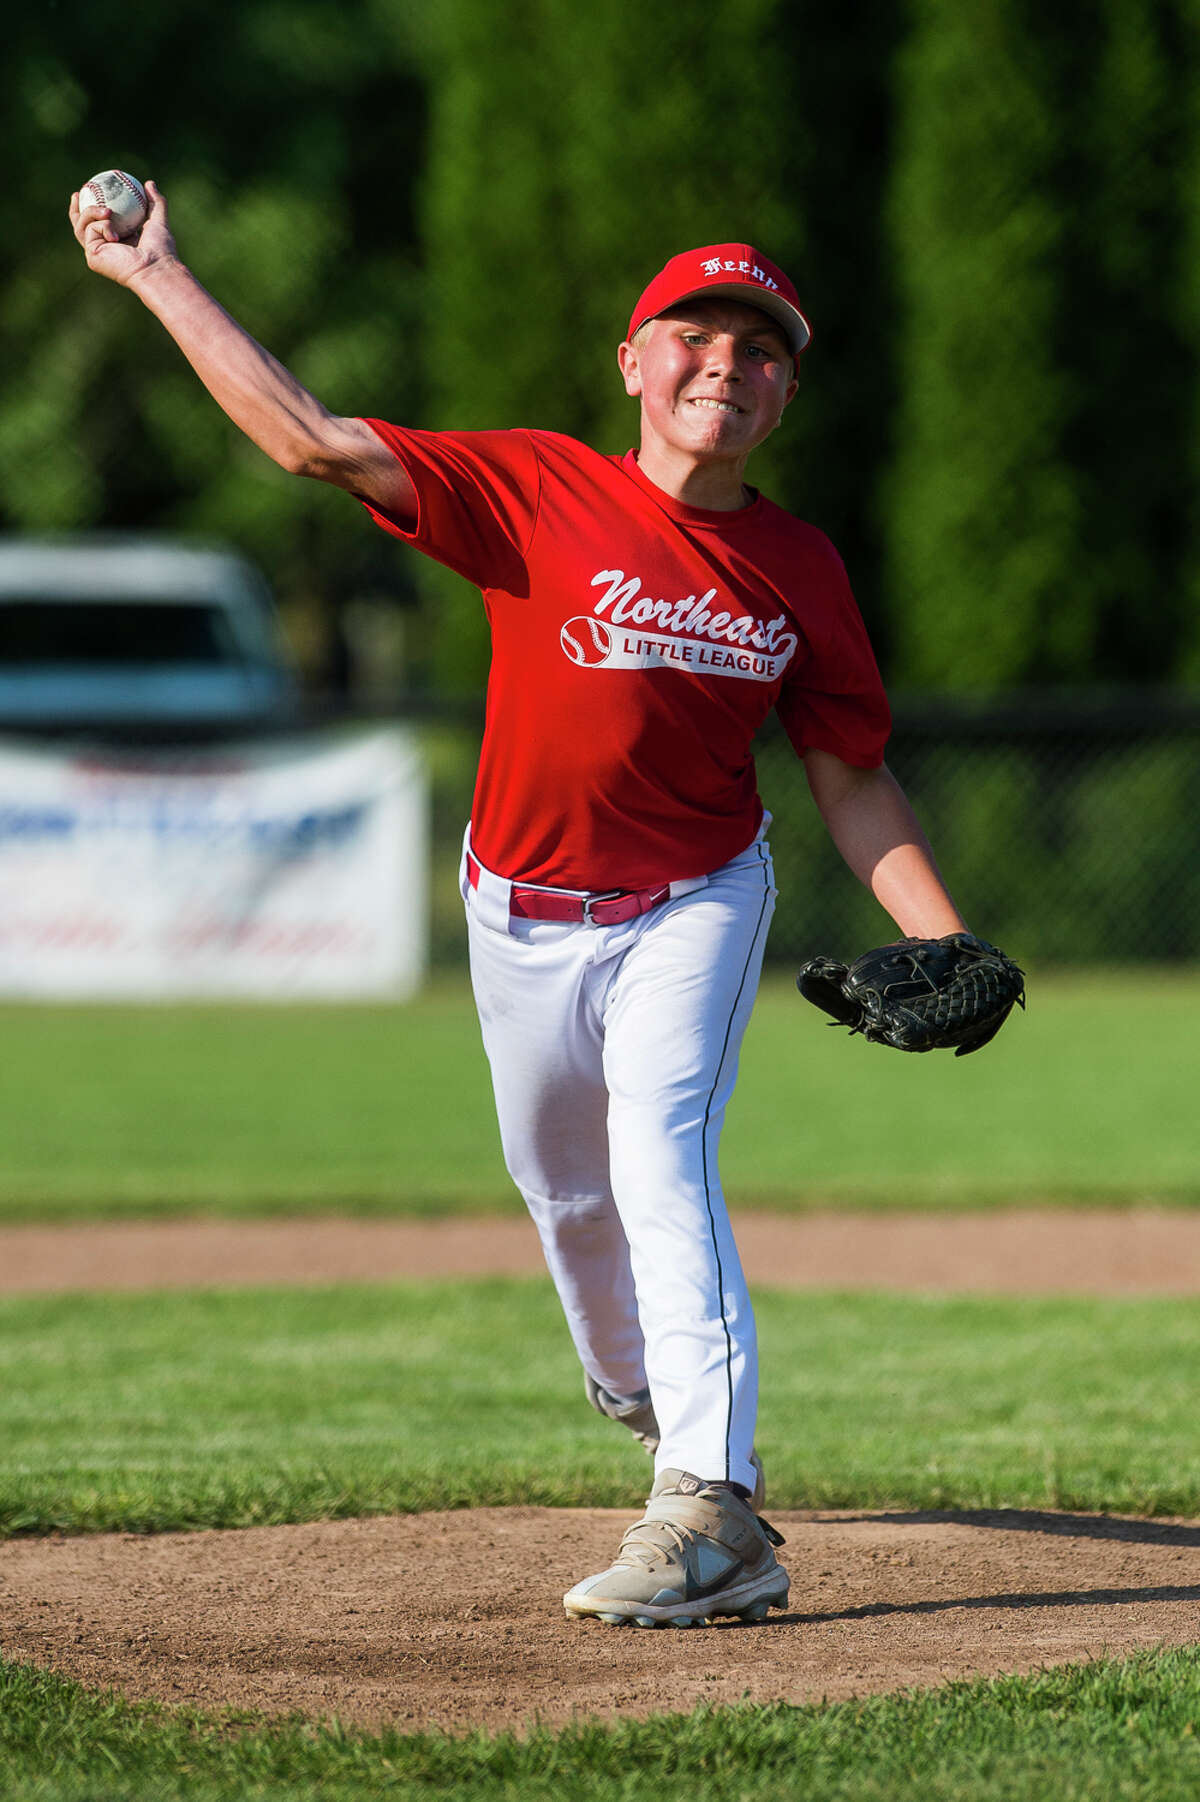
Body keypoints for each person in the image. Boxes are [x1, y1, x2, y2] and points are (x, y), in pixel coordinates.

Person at [71, 185, 969, 1630]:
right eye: (696, 338)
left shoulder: (798, 568)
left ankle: (712, 1503)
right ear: (634, 362)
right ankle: (645, 1385)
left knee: (658, 1147)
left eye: (760, 354)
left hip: (694, 896)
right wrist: (160, 275)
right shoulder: (539, 489)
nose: (723, 370)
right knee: (563, 1189)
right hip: (520, 911)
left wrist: (945, 934)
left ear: (786, 393)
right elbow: (310, 440)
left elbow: (853, 776)